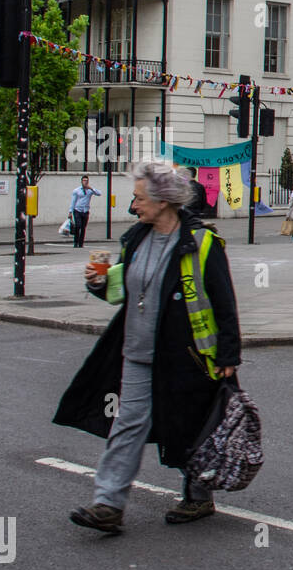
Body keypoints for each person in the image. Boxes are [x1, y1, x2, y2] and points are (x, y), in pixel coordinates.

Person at [55, 162, 242, 532]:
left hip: (186, 357)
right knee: (127, 425)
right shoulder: (136, 238)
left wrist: (228, 355)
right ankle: (108, 504)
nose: (134, 206)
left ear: (163, 201)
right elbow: (123, 288)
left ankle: (198, 497)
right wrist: (97, 283)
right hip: (137, 353)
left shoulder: (201, 243)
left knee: (189, 426)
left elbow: (223, 301)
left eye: (140, 198)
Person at [69, 176, 100, 248]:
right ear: (81, 181)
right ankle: (76, 242)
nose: (85, 182)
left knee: (83, 228)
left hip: (85, 211)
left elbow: (99, 193)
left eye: (86, 181)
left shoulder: (90, 190)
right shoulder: (76, 190)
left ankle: (81, 243)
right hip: (77, 210)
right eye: (83, 180)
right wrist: (70, 211)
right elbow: (73, 201)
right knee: (78, 226)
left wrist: (92, 188)